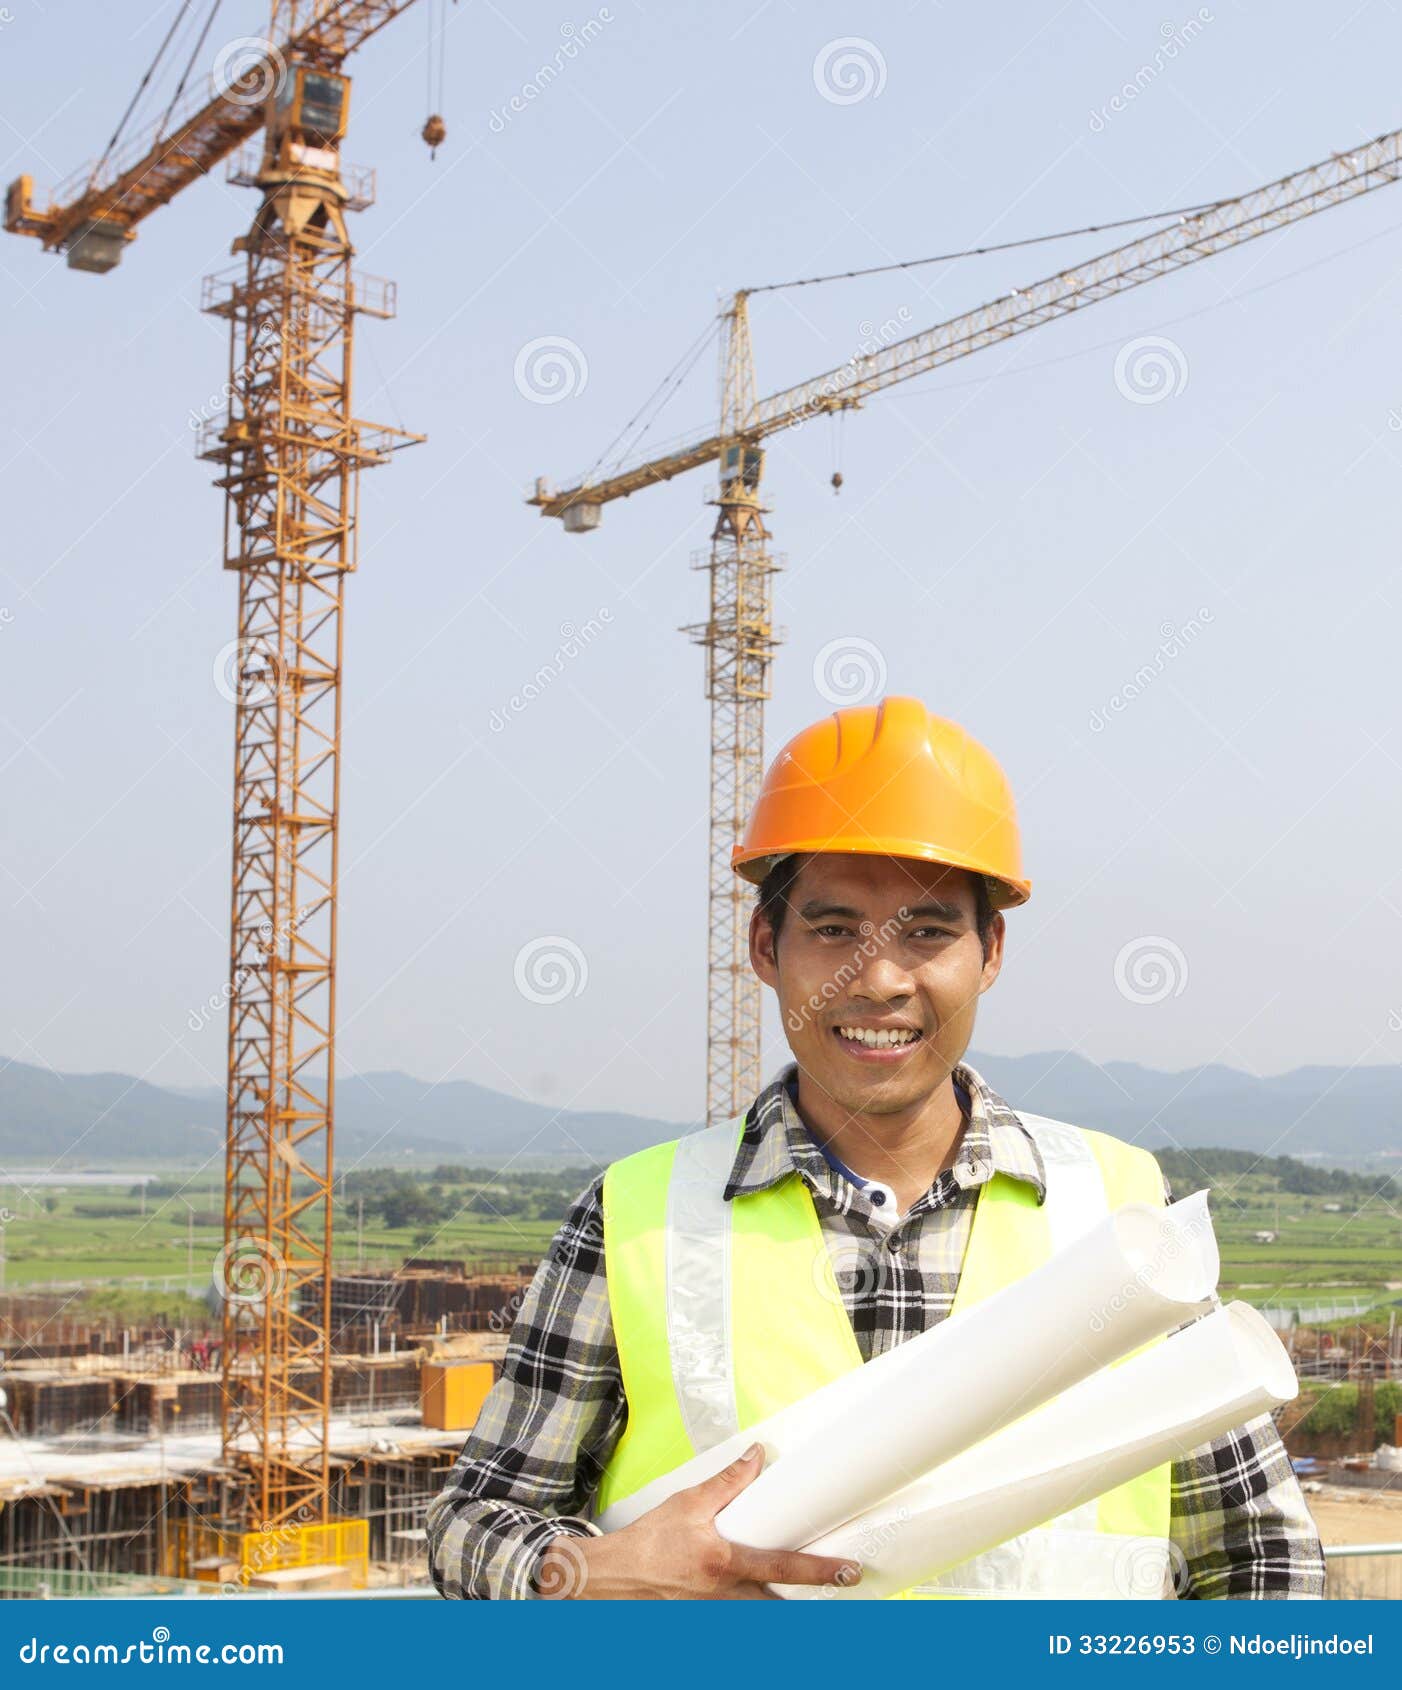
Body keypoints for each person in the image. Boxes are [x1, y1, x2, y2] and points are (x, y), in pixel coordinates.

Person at [426, 696, 1324, 1600]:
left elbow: (1262, 1560)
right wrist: (590, 1570)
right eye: (835, 929)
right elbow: (473, 1526)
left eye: (928, 933)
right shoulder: (634, 1218)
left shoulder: (1120, 1217)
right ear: (766, 946)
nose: (882, 979)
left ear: (991, 952)